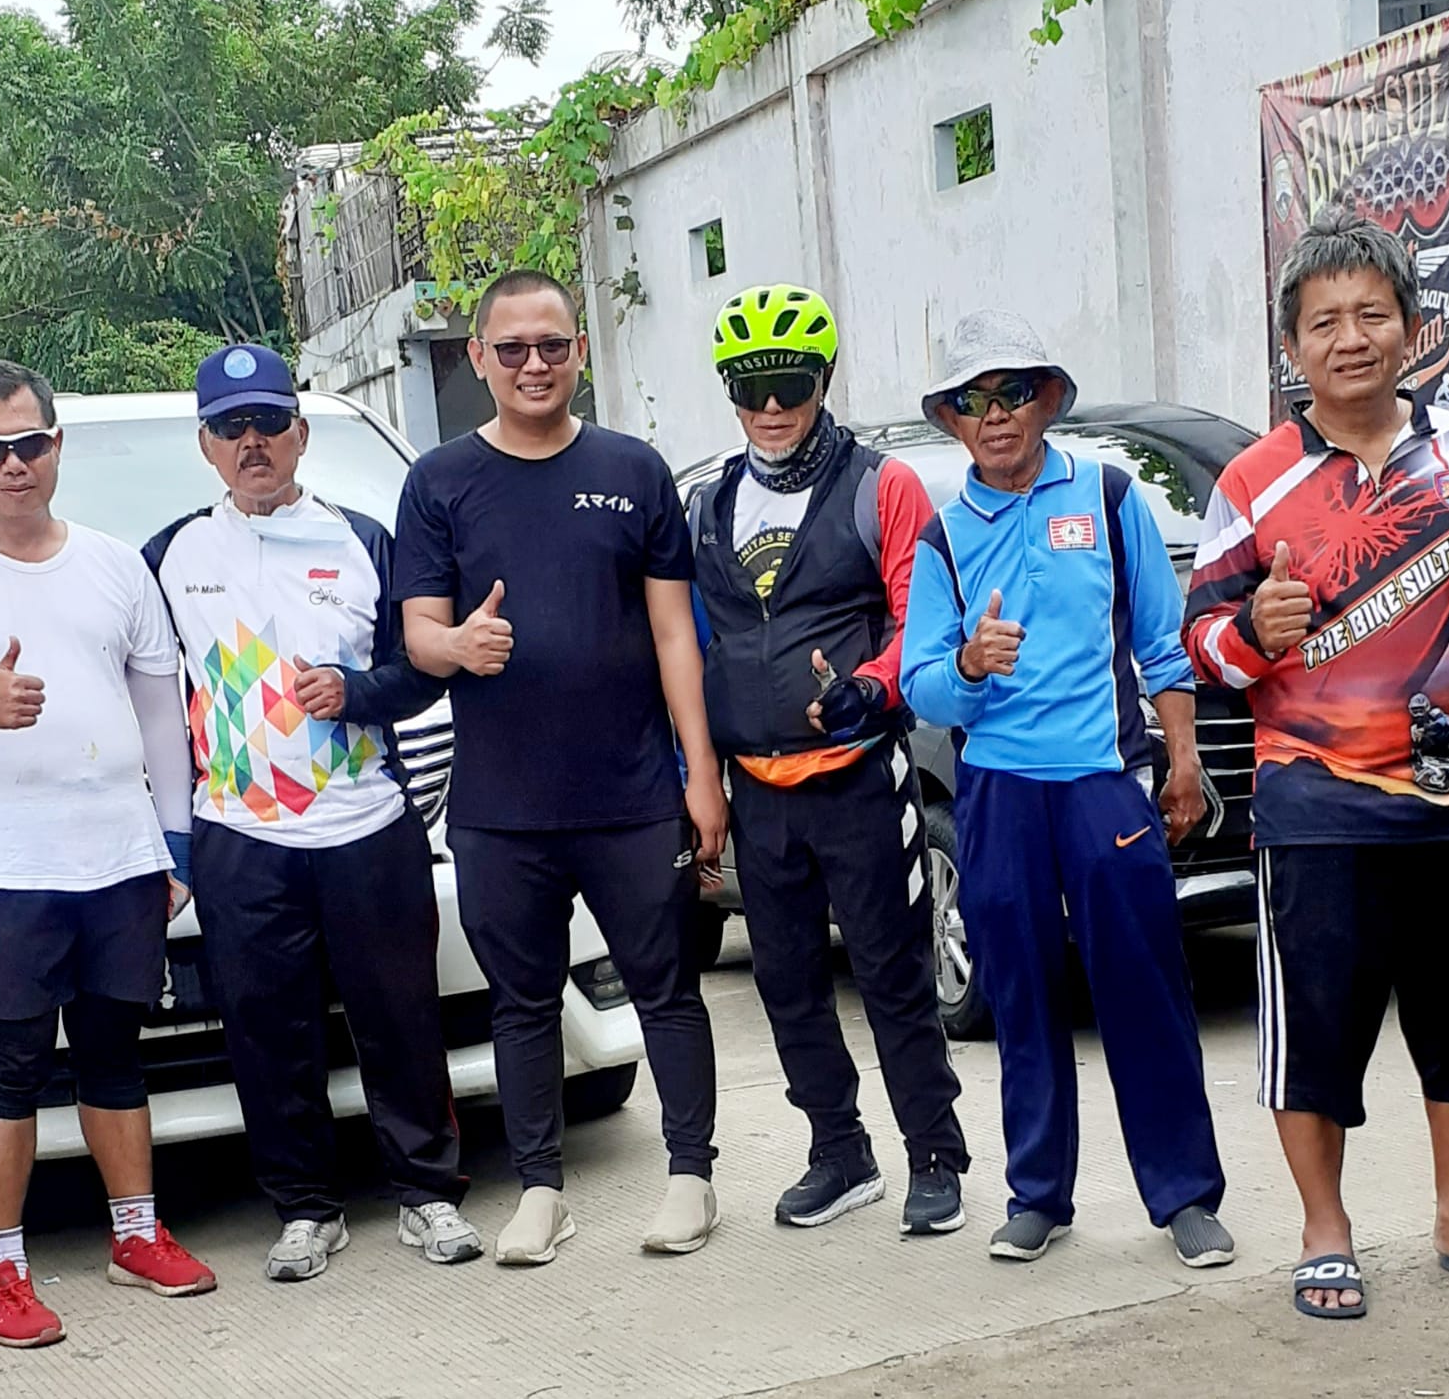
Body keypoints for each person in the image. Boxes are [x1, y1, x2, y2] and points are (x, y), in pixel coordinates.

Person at [1183, 209, 1449, 1319]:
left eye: (1372, 314)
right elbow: (1199, 645)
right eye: (1324, 322)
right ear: (1293, 346)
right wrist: (1256, 633)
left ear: (1412, 330)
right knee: (1312, 1033)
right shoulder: (1253, 481)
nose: (1350, 337)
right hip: (1315, 809)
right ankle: (1325, 1231)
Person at [396, 269, 726, 1265]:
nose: (533, 364)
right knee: (522, 999)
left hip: (630, 792)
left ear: (579, 351)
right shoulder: (439, 481)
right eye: (512, 349)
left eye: (552, 345)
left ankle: (691, 1176)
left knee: (665, 986)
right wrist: (459, 650)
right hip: (500, 803)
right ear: (480, 359)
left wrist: (698, 774)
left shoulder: (634, 469)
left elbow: (675, 634)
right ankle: (540, 1189)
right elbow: (417, 633)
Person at [901, 311, 1234, 1270]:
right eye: (974, 400)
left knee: (1145, 990)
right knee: (1023, 996)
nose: (996, 415)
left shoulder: (1111, 494)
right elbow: (921, 678)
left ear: (1047, 398)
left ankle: (1185, 1199)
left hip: (1103, 783)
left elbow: (1163, 648)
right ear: (953, 421)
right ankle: (1038, 1195)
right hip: (999, 793)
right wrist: (968, 661)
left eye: (1013, 393)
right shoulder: (946, 535)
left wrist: (1181, 761)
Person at [143, 344, 478, 1280]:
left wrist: (357, 692)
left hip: (366, 822)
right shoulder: (169, 557)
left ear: (300, 432)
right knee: (265, 1027)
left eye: (268, 424)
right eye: (230, 428)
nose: (253, 444)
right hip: (239, 833)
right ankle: (303, 1210)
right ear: (206, 444)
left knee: (400, 1016)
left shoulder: (366, 540)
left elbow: (421, 670)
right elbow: (141, 696)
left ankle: (426, 1196)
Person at [0, 361, 215, 1348]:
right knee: (11, 1067)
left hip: (119, 858)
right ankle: (3, 1265)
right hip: (6, 868)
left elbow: (164, 717)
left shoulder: (116, 565)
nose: (13, 465)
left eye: (29, 443)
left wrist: (175, 841)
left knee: (118, 1056)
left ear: (56, 445)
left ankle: (135, 1233)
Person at [690, 283, 969, 1236]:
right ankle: (838, 1151)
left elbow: (913, 609)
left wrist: (874, 688)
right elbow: (692, 642)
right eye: (751, 386)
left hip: (856, 775)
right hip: (756, 786)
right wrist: (694, 773)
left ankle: (934, 1154)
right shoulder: (708, 505)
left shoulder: (877, 484)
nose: (772, 408)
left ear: (823, 381)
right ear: (730, 391)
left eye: (792, 383)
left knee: (893, 971)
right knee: (786, 979)